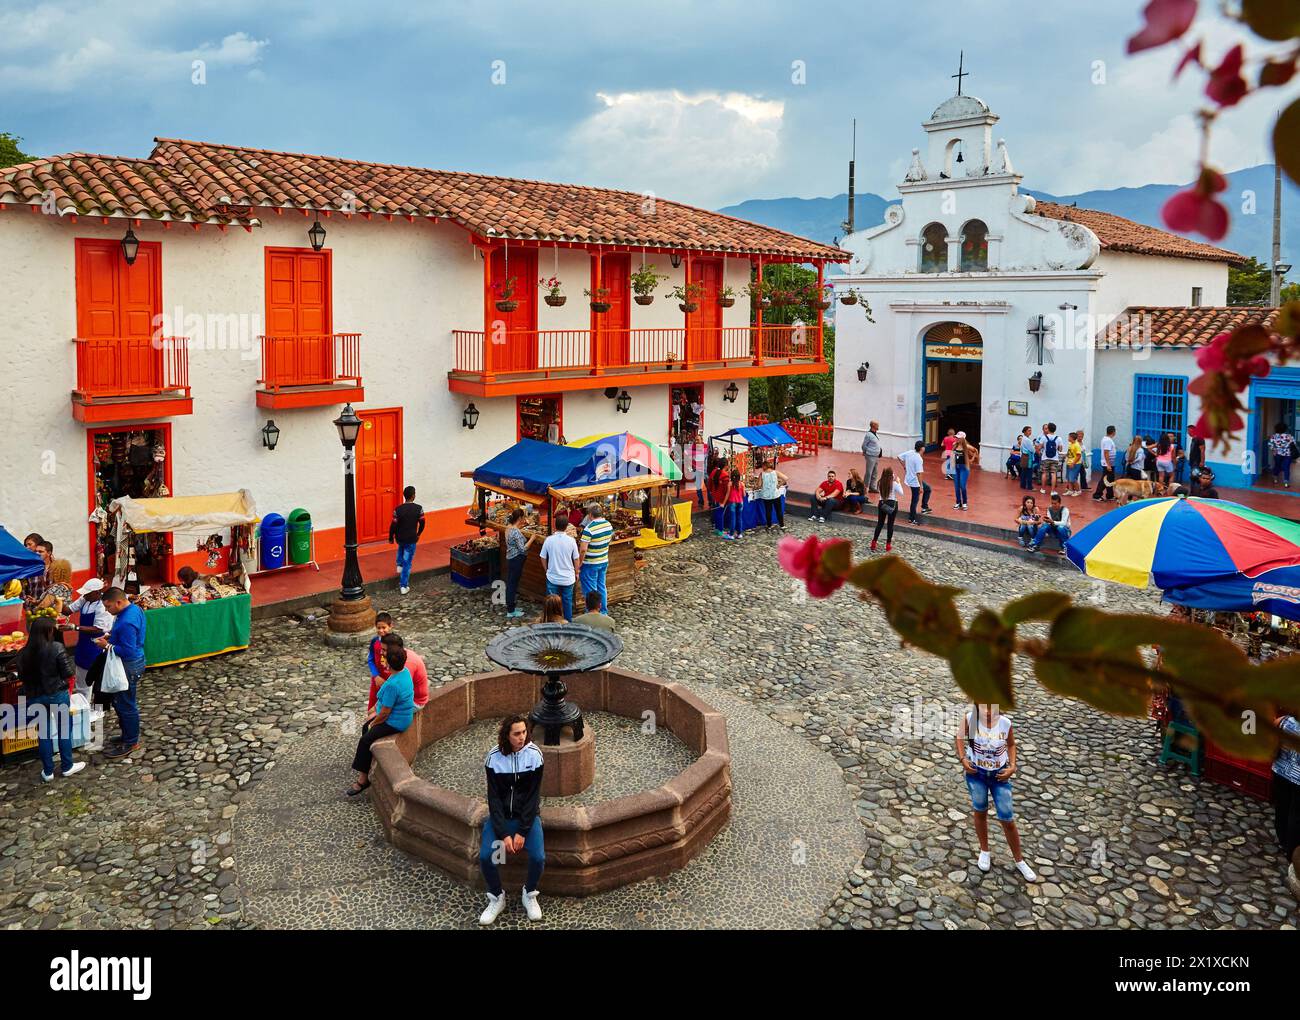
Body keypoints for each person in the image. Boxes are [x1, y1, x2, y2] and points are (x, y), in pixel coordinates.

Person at [956, 703, 1036, 881]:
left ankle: (1019, 860)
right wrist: (963, 758)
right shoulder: (971, 719)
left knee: (1007, 819)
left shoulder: (1005, 723)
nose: (989, 710)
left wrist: (1012, 767)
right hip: (977, 774)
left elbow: (1011, 744)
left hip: (1000, 776)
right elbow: (960, 737)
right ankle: (984, 850)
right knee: (980, 811)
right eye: (985, 706)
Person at [478, 715, 546, 925]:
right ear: (506, 735)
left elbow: (533, 797)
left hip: (526, 819)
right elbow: (494, 799)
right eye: (516, 733)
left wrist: (522, 832)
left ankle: (529, 893)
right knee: (487, 856)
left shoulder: (535, 756)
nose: (522, 737)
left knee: (537, 858)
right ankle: (497, 897)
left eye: (524, 732)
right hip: (502, 821)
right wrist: (504, 834)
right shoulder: (493, 758)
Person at [17, 616, 85, 782]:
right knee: (64, 731)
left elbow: (21, 676)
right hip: (57, 695)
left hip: (35, 697)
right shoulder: (56, 647)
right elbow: (69, 673)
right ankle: (67, 766)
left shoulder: (23, 653)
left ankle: (47, 772)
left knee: (44, 734)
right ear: (48, 631)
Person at [347, 644, 415, 796]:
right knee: (366, 729)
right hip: (402, 716)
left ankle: (363, 780)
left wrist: (373, 723)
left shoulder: (392, 685)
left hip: (396, 722)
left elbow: (385, 712)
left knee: (365, 738)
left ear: (389, 663)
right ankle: (369, 764)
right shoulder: (404, 673)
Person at [97, 587, 146, 760]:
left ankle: (131, 741)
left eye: (108, 606)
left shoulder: (126, 622)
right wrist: (112, 636)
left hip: (128, 665)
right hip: (133, 663)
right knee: (121, 702)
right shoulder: (133, 609)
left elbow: (127, 650)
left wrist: (107, 646)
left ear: (118, 602)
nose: (106, 610)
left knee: (125, 704)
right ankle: (127, 736)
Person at [66, 577, 113, 696]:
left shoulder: (103, 606)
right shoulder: (85, 599)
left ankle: (99, 710)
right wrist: (56, 600)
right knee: (82, 681)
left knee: (99, 682)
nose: (84, 595)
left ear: (97, 593)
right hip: (83, 644)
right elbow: (68, 610)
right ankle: (84, 709)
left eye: (88, 593)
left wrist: (75, 627)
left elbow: (97, 629)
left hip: (96, 646)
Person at [1273, 714, 1300, 893]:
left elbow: (1271, 747)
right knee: (1296, 817)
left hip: (1281, 772)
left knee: (1282, 811)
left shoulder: (1284, 722)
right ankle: (1292, 856)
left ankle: (1285, 845)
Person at [539, 513, 580, 621]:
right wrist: (577, 572)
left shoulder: (549, 540)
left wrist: (546, 570)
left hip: (552, 577)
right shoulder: (571, 541)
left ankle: (551, 622)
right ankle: (568, 624)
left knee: (552, 604)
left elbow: (542, 557)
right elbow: (576, 559)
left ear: (554, 526)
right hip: (568, 578)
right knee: (567, 602)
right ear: (566, 526)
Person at [578, 502, 614, 614]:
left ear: (589, 515)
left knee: (590, 591)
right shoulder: (608, 525)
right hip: (603, 560)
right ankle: (603, 611)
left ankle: (591, 613)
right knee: (601, 587)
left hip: (590, 563)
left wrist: (579, 563)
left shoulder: (589, 529)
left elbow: (583, 549)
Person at [389, 485, 426, 595]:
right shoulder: (419, 508)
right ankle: (403, 586)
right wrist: (418, 533)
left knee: (401, 548)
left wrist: (391, 536)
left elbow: (393, 525)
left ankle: (399, 564)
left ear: (404, 496)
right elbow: (423, 523)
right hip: (411, 537)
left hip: (400, 537)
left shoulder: (398, 509)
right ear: (413, 496)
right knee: (408, 562)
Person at [380, 633, 429, 708]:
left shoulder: (406, 664)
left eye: (384, 650)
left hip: (415, 702)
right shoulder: (401, 656)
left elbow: (400, 690)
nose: (381, 652)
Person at [503, 509, 535, 620]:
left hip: (511, 558)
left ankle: (511, 606)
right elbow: (522, 549)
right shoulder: (515, 532)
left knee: (511, 582)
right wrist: (532, 539)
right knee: (512, 584)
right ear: (520, 518)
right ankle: (510, 610)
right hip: (517, 559)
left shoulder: (508, 528)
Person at [870, 467, 906, 553]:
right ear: (891, 475)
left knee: (880, 523)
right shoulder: (894, 484)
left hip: (882, 503)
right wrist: (899, 482)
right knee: (890, 525)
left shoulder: (880, 482)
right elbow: (901, 493)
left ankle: (874, 542)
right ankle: (888, 545)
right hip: (892, 504)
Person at [365, 612, 394, 708]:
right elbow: (370, 659)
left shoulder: (395, 642)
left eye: (384, 627)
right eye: (378, 628)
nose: (381, 630)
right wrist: (376, 676)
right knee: (373, 705)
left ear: (390, 626)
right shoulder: (374, 641)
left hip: (390, 680)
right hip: (377, 679)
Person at [899, 440, 932, 524]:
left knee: (927, 489)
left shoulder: (910, 452)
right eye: (924, 446)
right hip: (915, 482)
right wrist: (921, 486)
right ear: (922, 448)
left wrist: (904, 467)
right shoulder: (918, 459)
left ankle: (924, 507)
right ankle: (912, 519)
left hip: (909, 478)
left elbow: (899, 457)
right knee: (915, 500)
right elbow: (919, 473)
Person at [758, 458, 788, 531]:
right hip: (775, 494)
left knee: (768, 511)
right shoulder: (775, 472)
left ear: (765, 466)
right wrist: (779, 485)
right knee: (778, 510)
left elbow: (759, 485)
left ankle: (769, 525)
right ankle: (782, 525)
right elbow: (786, 478)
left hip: (766, 496)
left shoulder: (762, 474)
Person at [951, 433, 977, 511]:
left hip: (964, 468)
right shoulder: (955, 445)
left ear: (963, 438)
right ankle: (958, 502)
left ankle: (965, 502)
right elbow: (952, 455)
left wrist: (971, 460)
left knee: (962, 486)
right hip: (956, 468)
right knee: (956, 487)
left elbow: (976, 451)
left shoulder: (967, 446)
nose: (957, 439)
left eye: (959, 438)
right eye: (956, 437)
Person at [1093, 425, 1118, 501]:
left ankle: (1110, 495)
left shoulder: (1107, 439)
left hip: (1110, 463)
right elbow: (1106, 452)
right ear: (1113, 432)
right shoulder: (1107, 440)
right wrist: (1108, 464)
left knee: (1110, 480)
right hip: (1108, 464)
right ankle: (1097, 495)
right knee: (1105, 480)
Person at [1269, 422, 1294, 488]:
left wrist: (1274, 450)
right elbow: (1293, 444)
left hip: (1277, 454)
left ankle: (1275, 479)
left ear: (1276, 429)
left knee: (1277, 466)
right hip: (1287, 454)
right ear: (1285, 429)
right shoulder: (1289, 436)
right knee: (1286, 468)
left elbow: (1270, 445)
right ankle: (1286, 483)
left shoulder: (1273, 436)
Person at [1039, 423, 1060, 494]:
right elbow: (1060, 449)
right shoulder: (1058, 438)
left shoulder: (1044, 437)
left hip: (1045, 458)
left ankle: (1043, 489)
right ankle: (1053, 491)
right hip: (1055, 458)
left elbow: (1039, 447)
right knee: (1053, 473)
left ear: (1048, 429)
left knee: (1044, 473)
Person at [861, 421, 881, 493]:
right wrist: (866, 452)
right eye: (877, 425)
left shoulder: (875, 434)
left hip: (876, 456)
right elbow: (864, 445)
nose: (878, 426)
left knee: (875, 472)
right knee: (869, 472)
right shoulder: (868, 435)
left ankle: (872, 487)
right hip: (870, 455)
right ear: (873, 426)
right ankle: (864, 487)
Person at [1017, 426, 1036, 492]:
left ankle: (1023, 485)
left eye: (1030, 430)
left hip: (1024, 456)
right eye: (1029, 430)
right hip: (1029, 458)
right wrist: (1034, 448)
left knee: (1024, 471)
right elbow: (1032, 450)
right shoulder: (1027, 440)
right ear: (1025, 431)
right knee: (1029, 472)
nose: (1030, 432)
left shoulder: (1023, 439)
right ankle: (1030, 486)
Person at [1064, 431, 1083, 496]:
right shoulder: (1070, 444)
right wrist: (1066, 456)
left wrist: (1073, 463)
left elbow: (1078, 455)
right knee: (1069, 478)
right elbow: (1070, 452)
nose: (1068, 438)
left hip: (1075, 464)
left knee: (1073, 478)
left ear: (1072, 438)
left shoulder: (1077, 445)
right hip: (1069, 463)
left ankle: (1078, 491)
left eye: (1069, 437)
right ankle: (1070, 490)